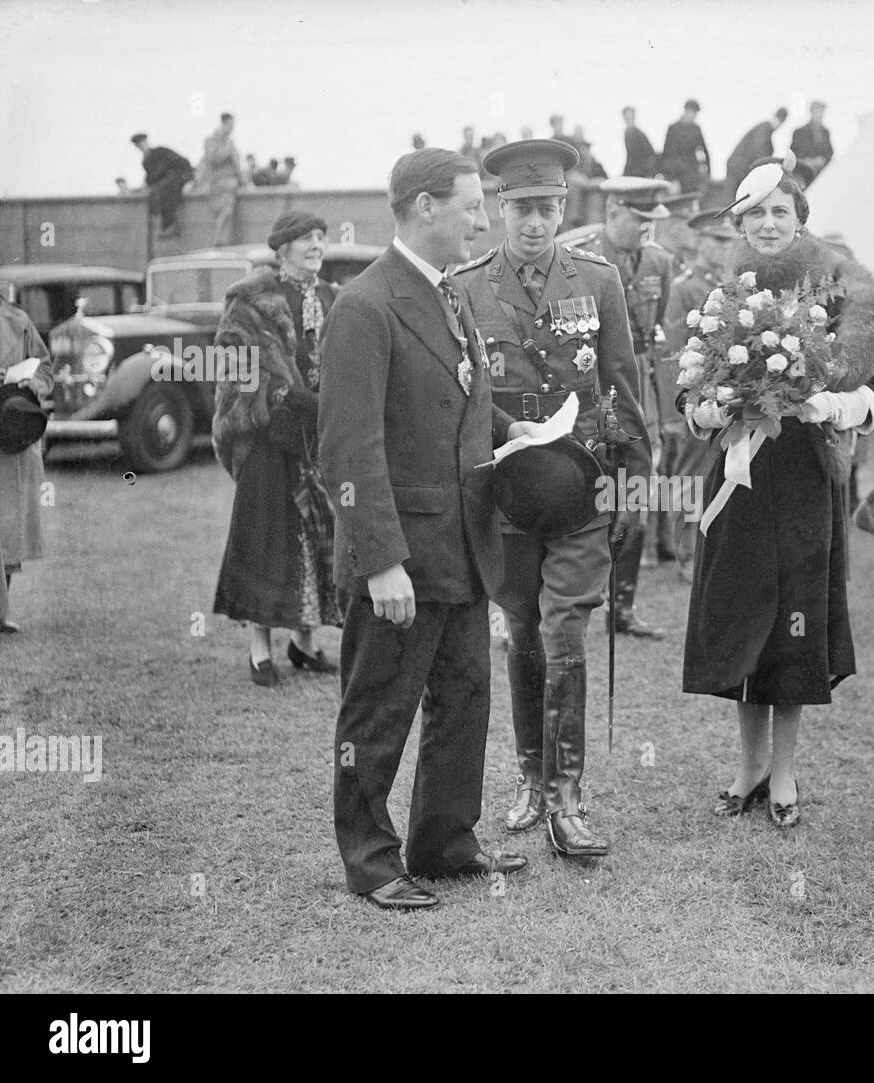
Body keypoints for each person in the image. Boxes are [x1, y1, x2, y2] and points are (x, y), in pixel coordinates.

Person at [318, 148, 535, 910]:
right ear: (421, 207)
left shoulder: (449, 294)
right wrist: (380, 561)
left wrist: (525, 429)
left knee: (464, 698)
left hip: (463, 548)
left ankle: (443, 841)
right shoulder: (365, 305)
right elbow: (348, 446)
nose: (484, 218)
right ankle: (371, 859)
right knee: (380, 705)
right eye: (472, 205)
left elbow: (460, 400)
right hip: (401, 556)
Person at [453, 139, 651, 855]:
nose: (535, 223)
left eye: (547, 208)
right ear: (501, 208)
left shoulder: (598, 281)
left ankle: (568, 793)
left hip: (581, 488)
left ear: (565, 208)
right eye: (521, 209)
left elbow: (627, 389)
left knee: (566, 632)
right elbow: (463, 395)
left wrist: (634, 485)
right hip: (509, 493)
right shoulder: (467, 285)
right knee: (523, 634)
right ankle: (530, 779)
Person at [683, 161, 874, 827]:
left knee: (796, 620)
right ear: (739, 221)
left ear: (800, 217)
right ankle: (747, 767)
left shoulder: (840, 288)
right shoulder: (721, 290)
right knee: (744, 615)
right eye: (756, 213)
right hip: (740, 477)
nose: (769, 223)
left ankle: (785, 773)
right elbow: (691, 390)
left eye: (781, 211)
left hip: (805, 472)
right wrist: (711, 409)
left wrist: (839, 401)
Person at [210, 211, 341, 686]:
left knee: (319, 538)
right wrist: (280, 397)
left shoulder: (334, 299)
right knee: (268, 540)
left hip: (318, 439)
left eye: (321, 237)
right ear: (281, 248)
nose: (316, 245)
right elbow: (233, 366)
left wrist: (328, 403)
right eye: (306, 238)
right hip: (270, 440)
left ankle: (305, 645)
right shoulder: (250, 302)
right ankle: (260, 651)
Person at [584, 176, 675, 627]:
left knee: (635, 491)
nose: (647, 228)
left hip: (640, 393)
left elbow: (653, 334)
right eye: (639, 218)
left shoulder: (660, 261)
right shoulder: (579, 255)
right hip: (593, 390)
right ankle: (572, 599)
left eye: (652, 220)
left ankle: (623, 607)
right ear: (613, 210)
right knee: (586, 491)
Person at [659, 211, 739, 575]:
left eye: (728, 242)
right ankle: (683, 553)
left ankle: (706, 551)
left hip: (727, 397)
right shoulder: (684, 288)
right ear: (699, 242)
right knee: (688, 477)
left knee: (717, 475)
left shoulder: (731, 285)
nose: (723, 249)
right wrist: (680, 407)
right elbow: (674, 352)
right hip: (696, 396)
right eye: (716, 241)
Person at [0, 296, 53, 635]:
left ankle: (0, 614)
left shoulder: (18, 321)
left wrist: (27, 381)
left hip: (11, 433)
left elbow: (45, 367)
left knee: (9, 529)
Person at [130, 133, 193, 239]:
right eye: (138, 145)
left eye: (142, 143)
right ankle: (166, 225)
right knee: (157, 191)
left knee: (164, 190)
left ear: (146, 142)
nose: (141, 146)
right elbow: (151, 178)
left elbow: (182, 162)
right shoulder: (145, 162)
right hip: (165, 183)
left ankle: (171, 226)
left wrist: (189, 180)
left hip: (177, 177)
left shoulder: (161, 151)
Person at [195, 112, 245, 247]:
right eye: (231, 125)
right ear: (225, 124)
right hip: (222, 183)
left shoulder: (219, 141)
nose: (232, 129)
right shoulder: (219, 142)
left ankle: (220, 241)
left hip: (220, 183)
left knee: (222, 213)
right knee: (224, 213)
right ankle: (219, 241)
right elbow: (216, 160)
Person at [726, 109, 788, 199]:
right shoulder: (765, 128)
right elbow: (760, 151)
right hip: (739, 169)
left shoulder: (765, 129)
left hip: (740, 168)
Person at [661, 99, 711, 194]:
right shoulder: (673, 129)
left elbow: (705, 151)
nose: (693, 115)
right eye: (692, 112)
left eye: (695, 113)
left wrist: (708, 172)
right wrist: (671, 178)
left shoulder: (696, 129)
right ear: (686, 111)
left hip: (692, 174)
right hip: (676, 174)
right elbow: (667, 154)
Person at [790, 101, 833, 188]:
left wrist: (822, 159)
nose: (821, 114)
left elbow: (830, 152)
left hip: (820, 176)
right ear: (812, 112)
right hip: (803, 175)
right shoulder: (799, 132)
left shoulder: (825, 132)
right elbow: (793, 153)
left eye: (822, 112)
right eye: (818, 111)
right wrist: (805, 160)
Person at [622, 106, 658, 178]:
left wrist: (649, 173)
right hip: (635, 171)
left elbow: (649, 154)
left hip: (642, 172)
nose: (629, 120)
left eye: (631, 117)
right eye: (627, 118)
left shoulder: (638, 133)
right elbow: (630, 155)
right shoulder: (628, 132)